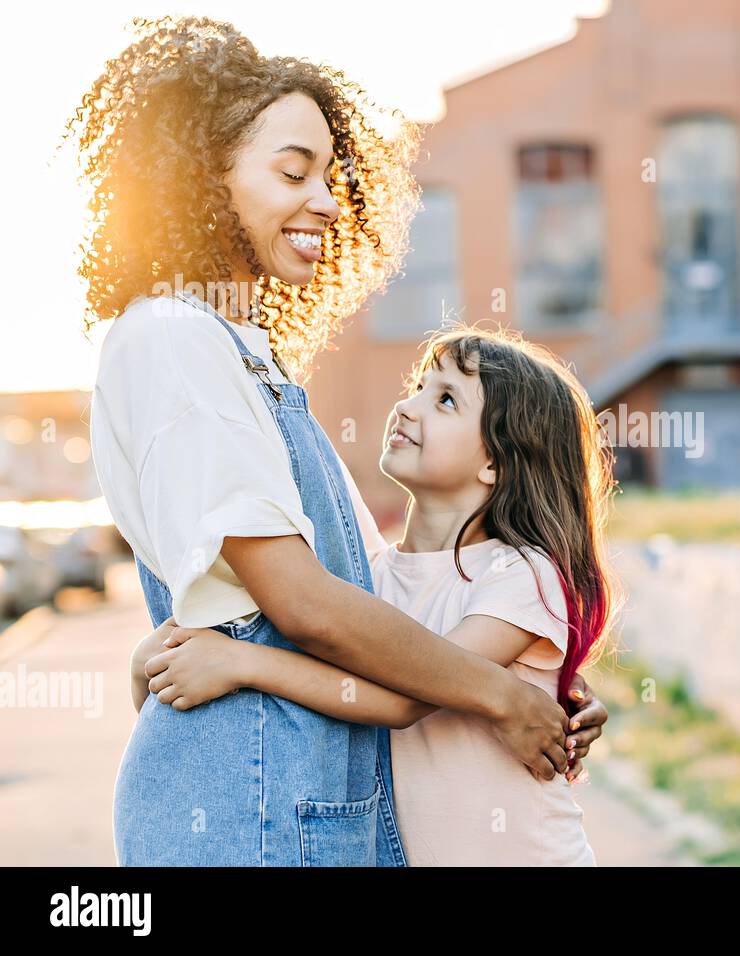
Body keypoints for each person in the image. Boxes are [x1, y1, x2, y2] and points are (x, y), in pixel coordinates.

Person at [71, 15, 606, 866]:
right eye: (294, 170)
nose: (325, 198)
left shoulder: (247, 359)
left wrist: (532, 688)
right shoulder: (175, 338)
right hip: (248, 810)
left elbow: (369, 608)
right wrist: (501, 698)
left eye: (331, 173)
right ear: (205, 180)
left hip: (294, 808)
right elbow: (305, 605)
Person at [140, 325, 622, 865]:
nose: (409, 407)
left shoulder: (521, 576)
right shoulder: (366, 574)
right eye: (418, 385)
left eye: (444, 400)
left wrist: (243, 662)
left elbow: (404, 700)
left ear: (496, 464)